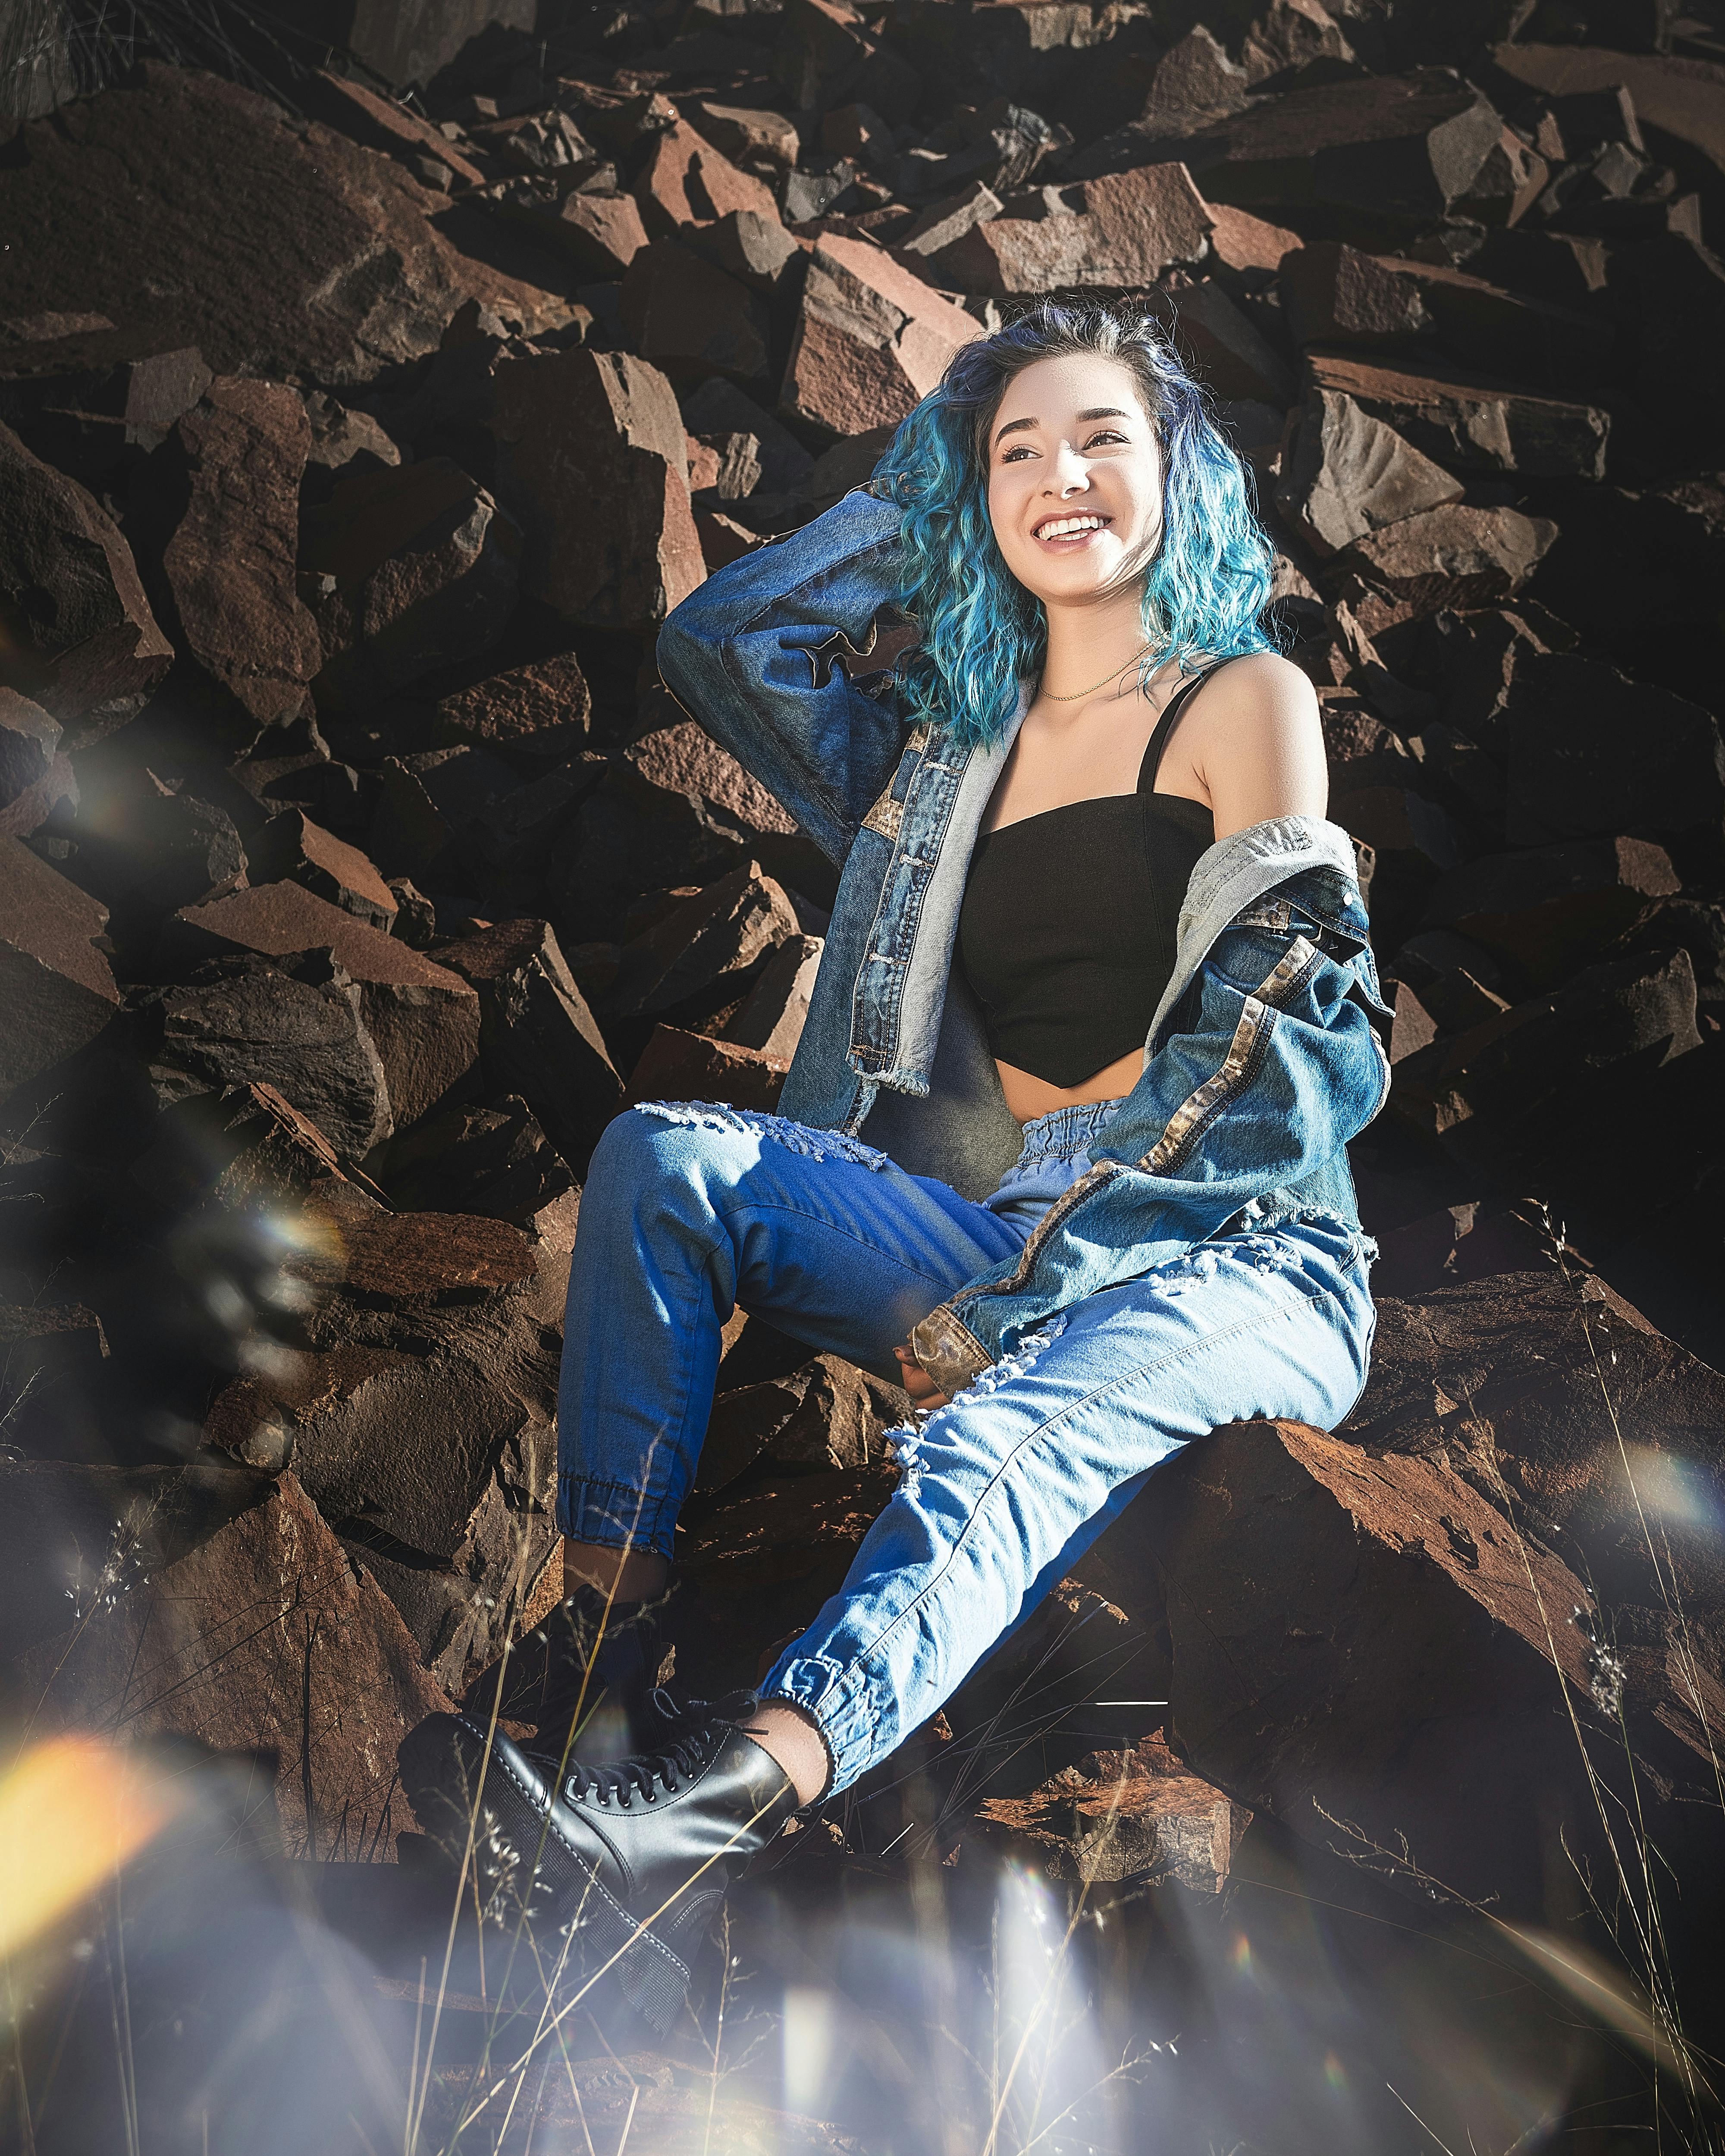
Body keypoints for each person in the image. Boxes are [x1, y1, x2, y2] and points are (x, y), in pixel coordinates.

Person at [400, 298, 1392, 2031]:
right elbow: (728, 641)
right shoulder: (943, 763)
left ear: (1178, 473)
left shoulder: (1246, 696)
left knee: (994, 1431)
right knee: (666, 1156)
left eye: (1103, 438)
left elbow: (1273, 1040)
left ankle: (701, 1809)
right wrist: (930, 459)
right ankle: (593, 1692)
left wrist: (1044, 1275)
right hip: (996, 1223)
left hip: (1234, 1244)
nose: (1060, 475)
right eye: (1018, 453)